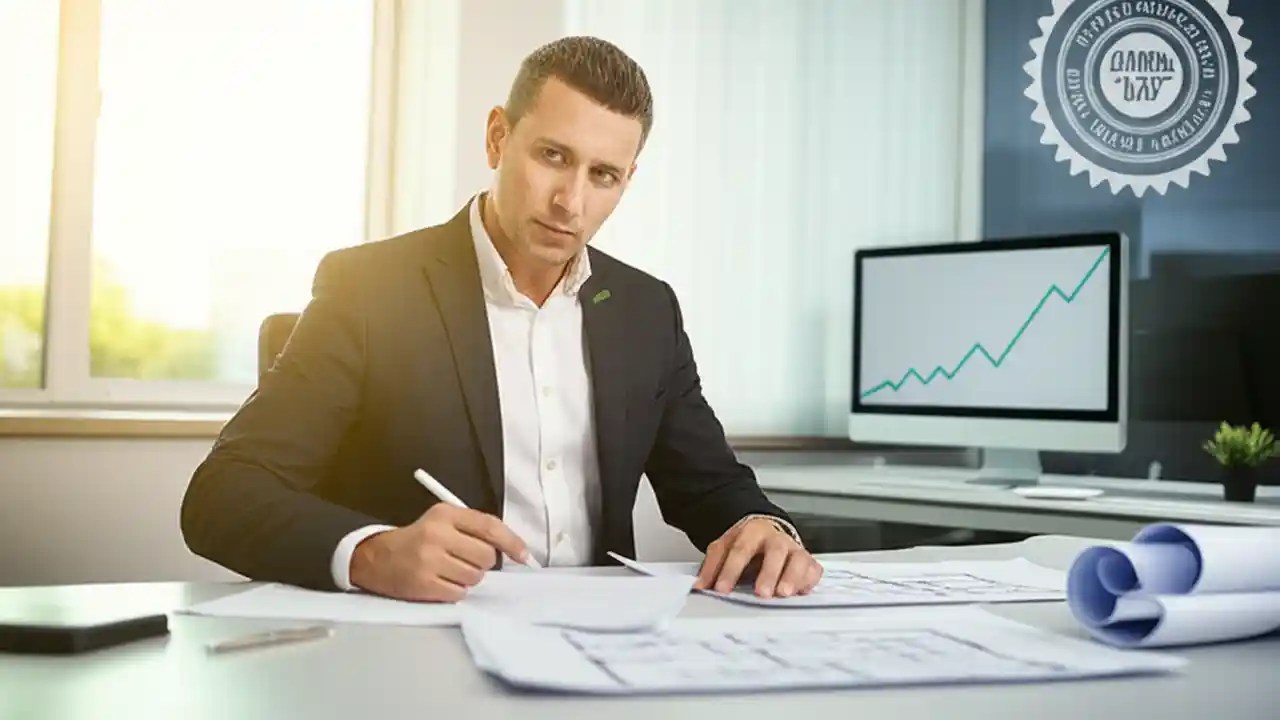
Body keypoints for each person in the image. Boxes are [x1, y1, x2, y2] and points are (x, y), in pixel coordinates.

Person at [181, 35, 822, 603]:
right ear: (497, 137)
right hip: (424, 646)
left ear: (628, 179)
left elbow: (712, 489)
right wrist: (372, 553)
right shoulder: (370, 289)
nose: (571, 201)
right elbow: (222, 496)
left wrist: (764, 529)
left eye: (603, 175)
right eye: (552, 156)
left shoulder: (646, 310)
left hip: (597, 644)